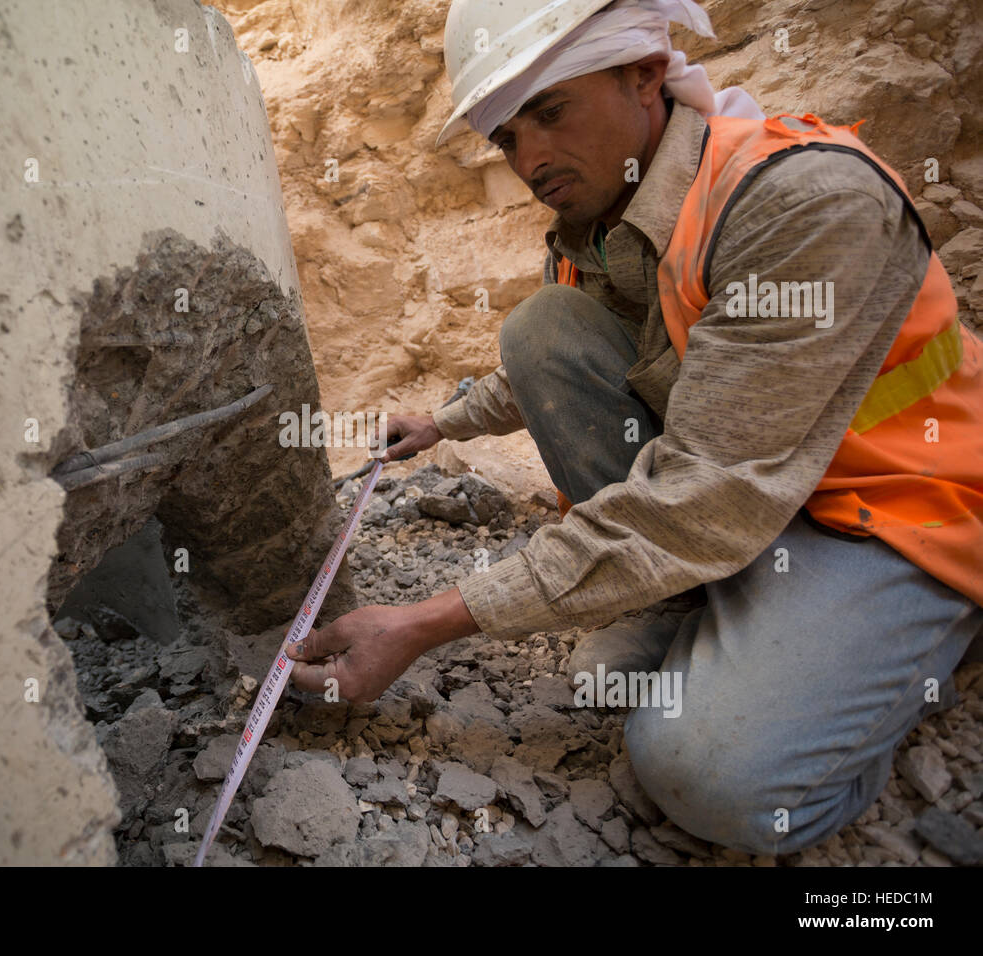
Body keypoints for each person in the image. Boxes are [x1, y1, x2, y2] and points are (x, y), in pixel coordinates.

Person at [286, 0, 983, 855]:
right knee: (544, 327)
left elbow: (705, 495)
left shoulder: (802, 200)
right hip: (747, 494)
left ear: (646, 75)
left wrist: (425, 622)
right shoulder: (608, 220)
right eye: (507, 137)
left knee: (706, 774)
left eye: (551, 112)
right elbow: (576, 363)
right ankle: (700, 598)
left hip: (898, 505)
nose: (530, 158)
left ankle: (903, 651)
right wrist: (441, 423)